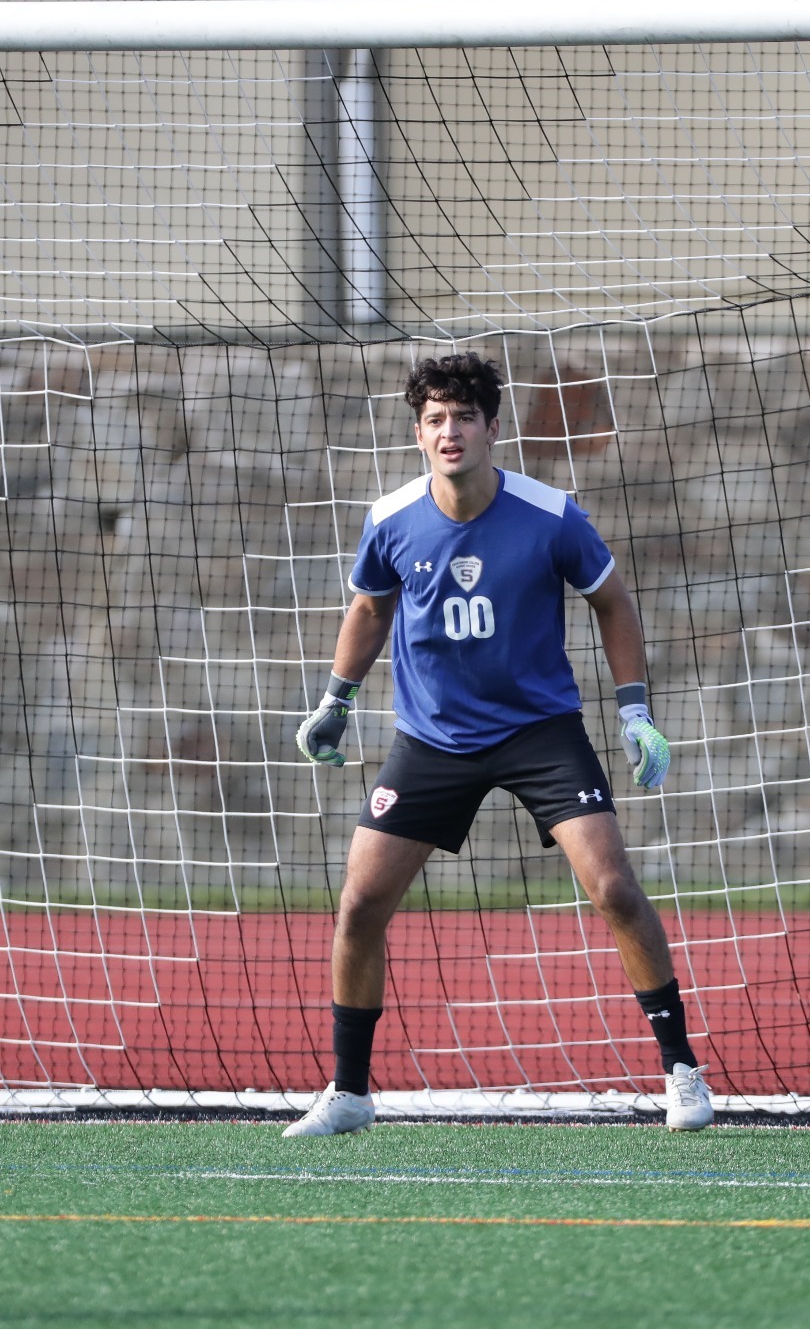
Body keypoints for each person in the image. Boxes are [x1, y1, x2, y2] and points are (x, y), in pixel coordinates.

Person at [287, 352, 711, 1136]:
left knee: (614, 888)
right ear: (419, 433)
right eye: (435, 418)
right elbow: (370, 611)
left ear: (492, 427)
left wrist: (634, 712)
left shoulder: (552, 515)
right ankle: (348, 1093)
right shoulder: (390, 519)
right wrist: (334, 701)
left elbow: (612, 603)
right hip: (432, 739)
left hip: (540, 734)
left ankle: (683, 1072)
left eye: (464, 416)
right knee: (359, 905)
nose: (451, 431)